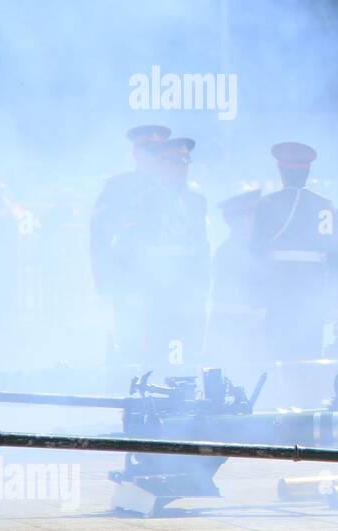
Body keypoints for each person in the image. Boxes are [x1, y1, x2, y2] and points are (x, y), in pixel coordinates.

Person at [251, 142, 338, 361]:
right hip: (312, 286)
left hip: (278, 284)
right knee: (309, 349)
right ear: (307, 172)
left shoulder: (266, 203)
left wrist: (256, 295)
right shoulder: (324, 205)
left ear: (281, 172)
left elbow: (256, 252)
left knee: (278, 349)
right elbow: (334, 252)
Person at [90, 124, 170, 364]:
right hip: (129, 273)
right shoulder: (118, 186)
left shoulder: (174, 187)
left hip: (170, 278)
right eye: (147, 149)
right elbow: (99, 237)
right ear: (135, 153)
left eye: (157, 150)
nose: (152, 156)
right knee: (129, 338)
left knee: (166, 337)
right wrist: (104, 280)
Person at [143, 137, 210, 367]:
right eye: (174, 162)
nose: (181, 167)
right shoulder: (146, 200)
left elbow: (202, 248)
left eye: (184, 162)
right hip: (155, 287)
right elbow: (133, 247)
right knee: (156, 347)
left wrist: (203, 285)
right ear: (161, 165)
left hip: (188, 288)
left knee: (189, 346)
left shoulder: (197, 201)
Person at [205, 188, 265, 370]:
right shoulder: (231, 251)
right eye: (254, 215)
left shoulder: (252, 248)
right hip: (235, 329)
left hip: (242, 327)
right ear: (243, 220)